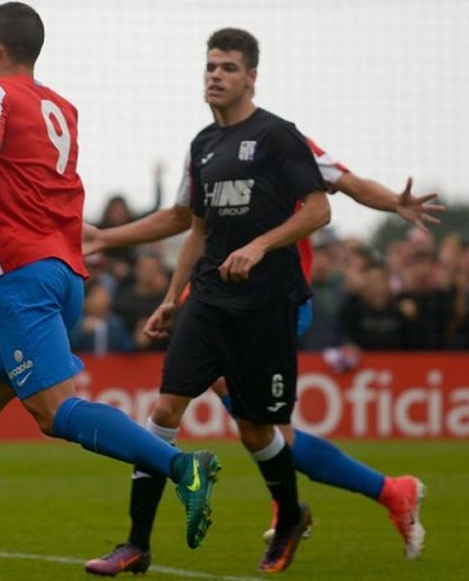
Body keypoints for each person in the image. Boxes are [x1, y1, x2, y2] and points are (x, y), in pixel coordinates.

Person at [0, 2, 219, 581]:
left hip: (22, 273)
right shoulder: (60, 106)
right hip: (65, 270)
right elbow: (20, 153)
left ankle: (183, 467)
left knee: (55, 414)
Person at [83, 30, 439, 575]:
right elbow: (190, 223)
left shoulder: (280, 138)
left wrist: (395, 203)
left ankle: (371, 494)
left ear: (251, 77)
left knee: (263, 430)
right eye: (210, 66)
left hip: (273, 300)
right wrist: (149, 275)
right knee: (185, 412)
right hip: (210, 297)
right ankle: (139, 542)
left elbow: (340, 185)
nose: (215, 75)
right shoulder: (203, 146)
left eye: (228, 67)